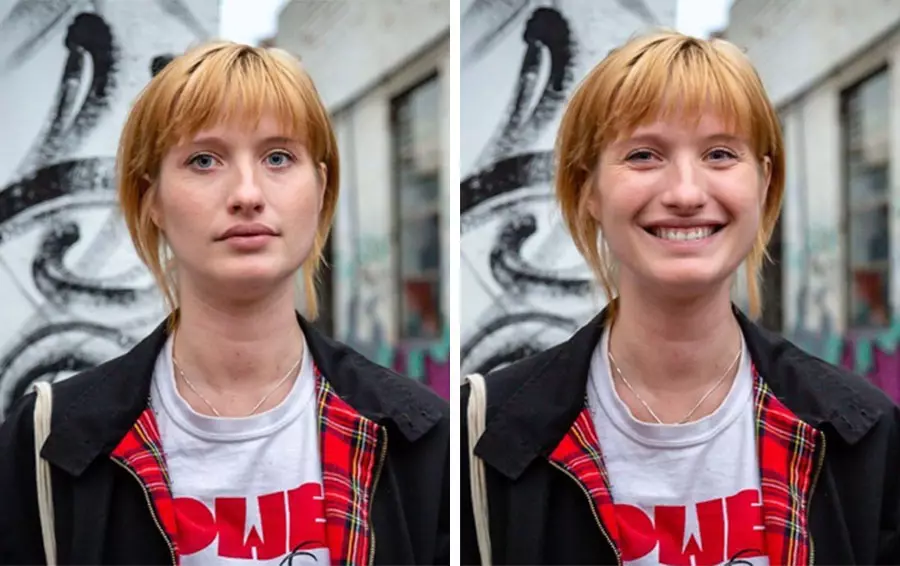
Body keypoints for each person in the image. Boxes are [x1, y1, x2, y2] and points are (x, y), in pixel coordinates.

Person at [0, 41, 450, 565]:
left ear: (321, 187)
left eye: (278, 157)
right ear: (153, 200)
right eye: (204, 160)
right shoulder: (49, 443)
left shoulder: (419, 438)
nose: (247, 193)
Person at [462, 30, 900, 565]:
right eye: (644, 155)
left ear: (763, 184)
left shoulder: (863, 437)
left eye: (720, 153)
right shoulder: (482, 438)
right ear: (590, 190)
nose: (686, 194)